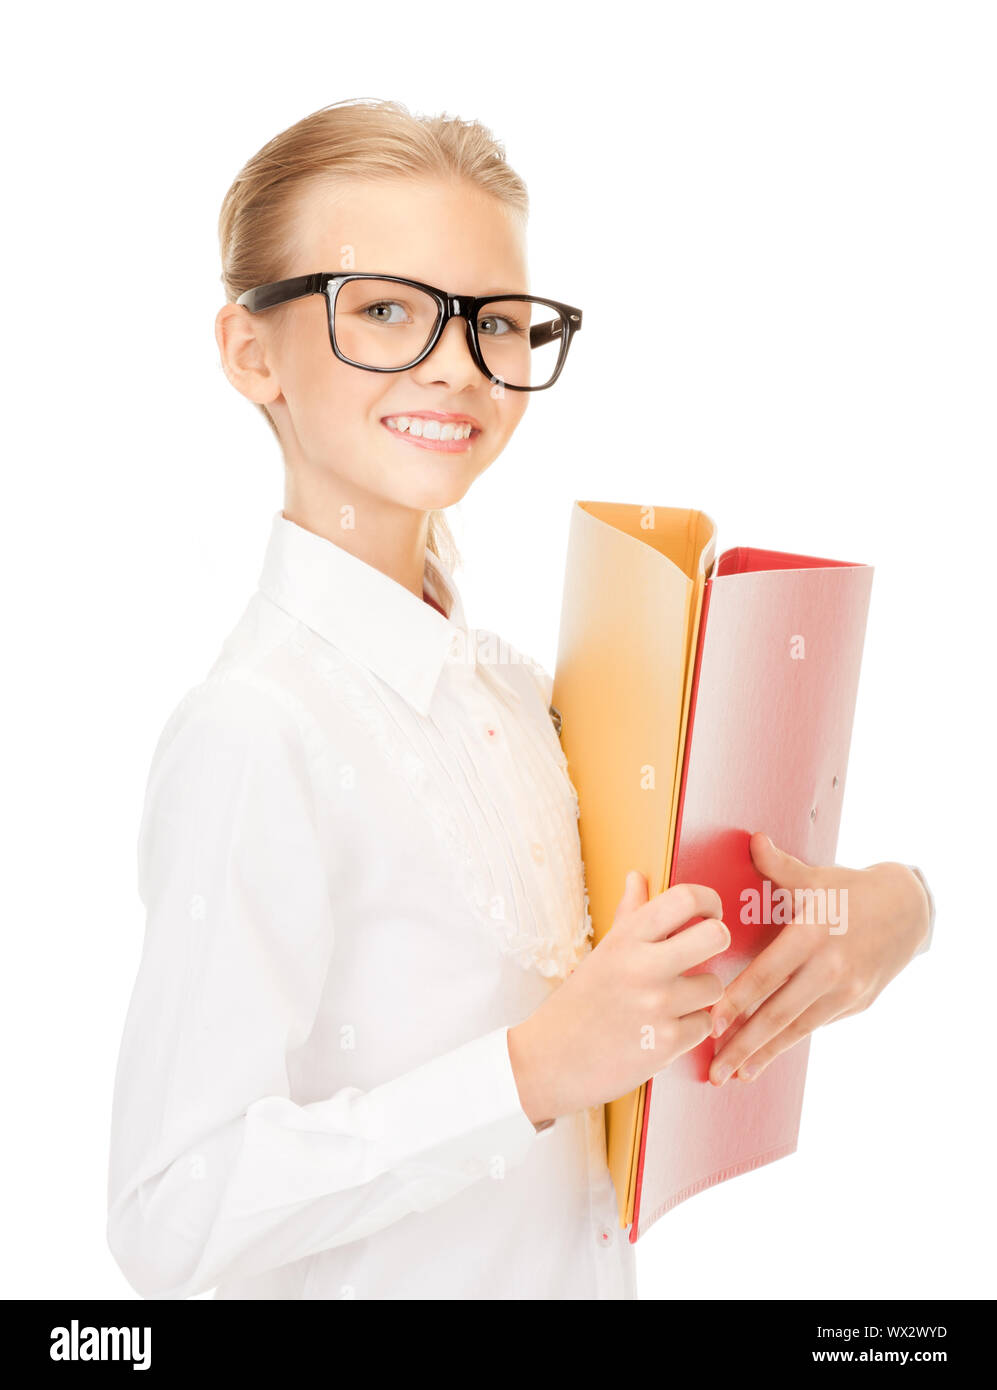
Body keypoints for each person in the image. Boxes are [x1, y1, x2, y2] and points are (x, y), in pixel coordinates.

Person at [106, 98, 935, 1301]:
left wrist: (893, 911)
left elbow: (667, 952)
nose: (456, 364)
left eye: (493, 320)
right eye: (384, 307)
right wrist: (531, 1071)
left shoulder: (512, 683)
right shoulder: (257, 729)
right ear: (252, 353)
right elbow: (167, 1214)